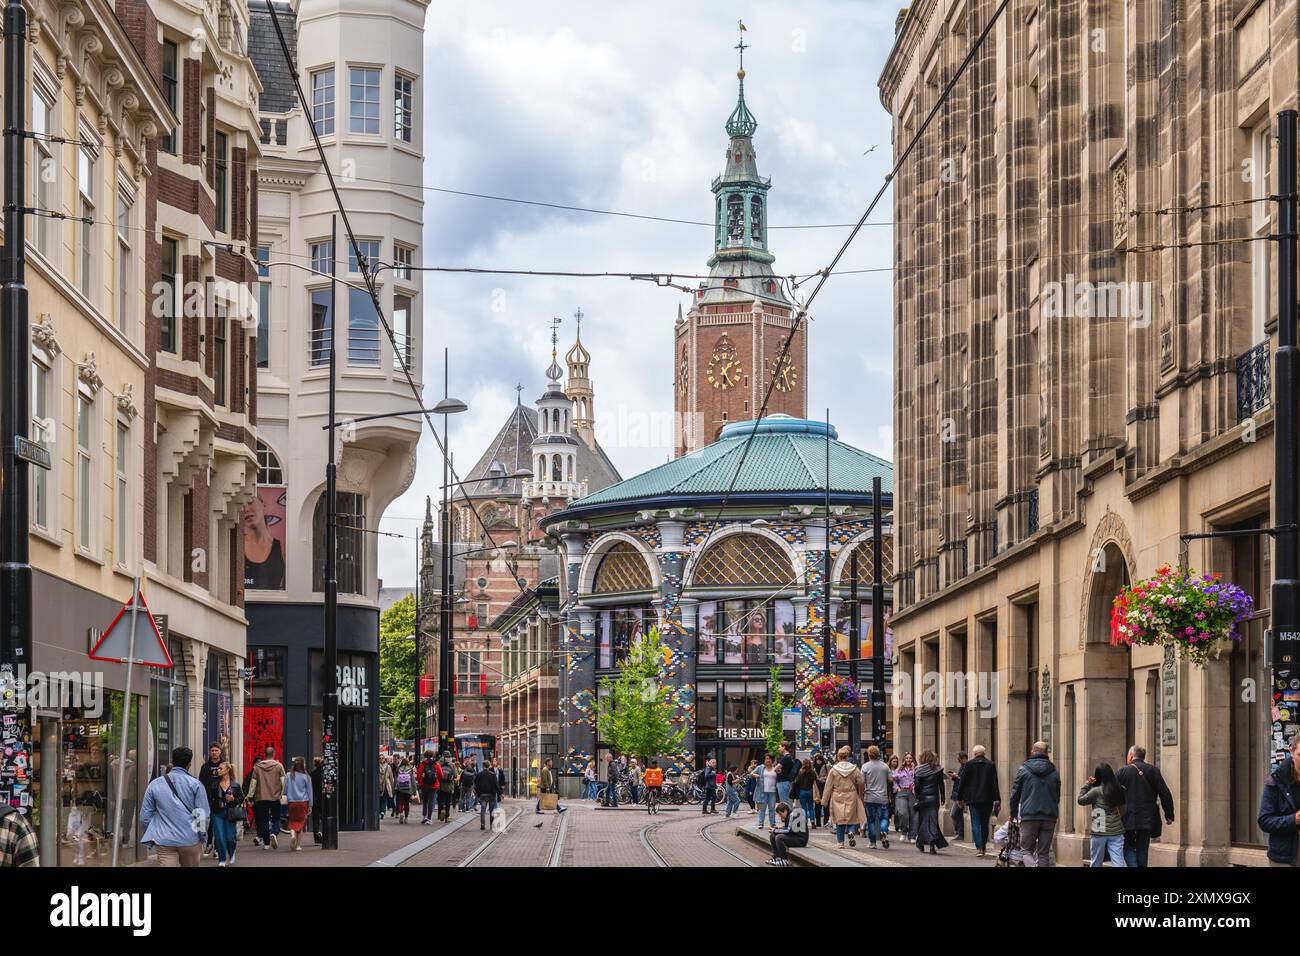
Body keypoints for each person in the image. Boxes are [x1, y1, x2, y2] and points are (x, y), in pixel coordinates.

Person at [139, 746, 208, 867]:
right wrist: (202, 836)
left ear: (172, 762)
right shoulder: (196, 785)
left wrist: (154, 833)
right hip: (190, 839)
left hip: (165, 840)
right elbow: (201, 815)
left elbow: (144, 816)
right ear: (189, 764)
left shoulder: (155, 784)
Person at [1115, 745, 1174, 867]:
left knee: (1127, 846)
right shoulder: (1153, 771)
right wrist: (1169, 814)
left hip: (1127, 818)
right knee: (1143, 848)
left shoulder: (1122, 772)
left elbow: (1112, 793)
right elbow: (1165, 793)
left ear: (1131, 756)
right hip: (1147, 818)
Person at [1008, 741, 1060, 867]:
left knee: (1026, 850)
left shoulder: (1023, 770)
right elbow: (1057, 795)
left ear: (1032, 752)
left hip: (1029, 816)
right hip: (1049, 816)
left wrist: (1013, 813)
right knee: (1043, 853)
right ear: (1047, 753)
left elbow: (1015, 794)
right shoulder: (1054, 771)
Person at [1260, 734, 1300, 866]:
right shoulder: (1275, 781)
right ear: (1291, 752)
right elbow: (1264, 821)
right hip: (1284, 857)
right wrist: (1294, 819)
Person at [1078, 761, 1126, 867]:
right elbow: (1124, 809)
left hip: (1099, 829)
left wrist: (1087, 784)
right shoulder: (1119, 789)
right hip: (1116, 830)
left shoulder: (1096, 791)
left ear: (1097, 776)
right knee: (1118, 862)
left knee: (1096, 862)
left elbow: (1080, 800)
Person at [956, 744, 1000, 858]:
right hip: (987, 798)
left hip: (973, 798)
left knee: (975, 823)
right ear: (984, 753)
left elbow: (963, 783)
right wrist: (998, 799)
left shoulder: (969, 765)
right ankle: (984, 846)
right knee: (985, 824)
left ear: (975, 753)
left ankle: (979, 848)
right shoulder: (991, 764)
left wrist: (959, 798)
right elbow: (995, 783)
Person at [821, 746, 866, 849]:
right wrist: (860, 794)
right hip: (851, 794)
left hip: (837, 795)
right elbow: (861, 782)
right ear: (847, 756)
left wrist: (824, 801)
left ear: (838, 756)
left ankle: (840, 843)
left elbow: (828, 786)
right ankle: (850, 832)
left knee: (839, 819)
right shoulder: (854, 768)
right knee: (852, 818)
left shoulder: (833, 770)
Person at [207, 761, 244, 867]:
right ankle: (222, 859)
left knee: (230, 837)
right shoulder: (214, 784)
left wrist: (233, 799)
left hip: (230, 813)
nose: (218, 770)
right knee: (219, 837)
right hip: (217, 813)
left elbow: (241, 798)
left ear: (227, 770)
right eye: (218, 768)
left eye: (221, 768)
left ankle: (232, 853)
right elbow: (209, 798)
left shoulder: (235, 785)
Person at [249, 746, 285, 850]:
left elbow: (253, 783)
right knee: (276, 817)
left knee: (263, 820)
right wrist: (282, 794)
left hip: (261, 798)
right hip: (275, 797)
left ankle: (266, 843)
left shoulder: (257, 767)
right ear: (273, 754)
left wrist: (250, 796)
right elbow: (283, 782)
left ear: (265, 755)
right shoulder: (279, 766)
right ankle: (274, 832)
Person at [913, 750, 948, 854]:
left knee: (923, 820)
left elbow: (917, 786)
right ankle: (931, 844)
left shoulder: (918, 770)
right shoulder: (937, 769)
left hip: (923, 798)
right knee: (933, 820)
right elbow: (941, 784)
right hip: (934, 798)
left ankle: (921, 843)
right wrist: (943, 797)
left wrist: (918, 796)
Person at [861, 746, 892, 849]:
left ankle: (873, 842)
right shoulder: (885, 766)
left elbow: (862, 782)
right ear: (878, 754)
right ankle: (883, 831)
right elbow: (890, 780)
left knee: (871, 820)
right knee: (884, 818)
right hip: (882, 797)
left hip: (869, 797)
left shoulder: (865, 767)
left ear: (869, 755)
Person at [197, 742, 223, 857]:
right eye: (212, 751)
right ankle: (209, 844)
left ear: (220, 752)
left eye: (216, 750)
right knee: (209, 823)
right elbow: (200, 782)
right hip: (207, 798)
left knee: (218, 824)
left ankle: (217, 847)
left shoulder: (224, 765)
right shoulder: (205, 766)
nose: (214, 752)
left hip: (220, 798)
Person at [283, 757, 313, 851]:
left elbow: (284, 790)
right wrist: (310, 805)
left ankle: (292, 835)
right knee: (300, 823)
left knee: (292, 821)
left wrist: (286, 794)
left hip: (292, 802)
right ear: (303, 765)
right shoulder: (306, 777)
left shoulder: (288, 775)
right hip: (303, 802)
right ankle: (298, 846)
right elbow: (309, 792)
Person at [766, 801, 808, 867]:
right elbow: (787, 828)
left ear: (785, 810)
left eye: (780, 813)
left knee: (779, 837)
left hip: (800, 840)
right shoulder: (789, 814)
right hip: (795, 836)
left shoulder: (792, 815)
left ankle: (784, 860)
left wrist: (775, 830)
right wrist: (777, 829)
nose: (780, 816)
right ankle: (777, 858)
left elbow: (789, 830)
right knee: (773, 835)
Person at [891, 753, 917, 841]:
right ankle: (904, 831)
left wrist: (913, 769)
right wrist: (897, 788)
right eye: (907, 758)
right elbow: (893, 779)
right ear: (904, 760)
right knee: (902, 813)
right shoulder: (899, 770)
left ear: (913, 760)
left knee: (913, 815)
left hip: (912, 793)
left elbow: (915, 780)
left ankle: (912, 835)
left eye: (910, 758)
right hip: (902, 792)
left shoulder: (916, 769)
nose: (909, 760)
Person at [415, 750, 441, 825]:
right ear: (433, 755)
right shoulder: (436, 764)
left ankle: (424, 816)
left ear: (425, 755)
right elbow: (441, 775)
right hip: (434, 785)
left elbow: (418, 775)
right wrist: (436, 779)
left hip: (424, 785)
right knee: (431, 801)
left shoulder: (422, 764)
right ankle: (429, 818)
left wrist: (420, 783)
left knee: (425, 801)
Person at [475, 758, 501, 830]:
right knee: (491, 810)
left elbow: (476, 785)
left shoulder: (479, 774)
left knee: (483, 810)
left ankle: (482, 824)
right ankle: (491, 825)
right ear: (489, 766)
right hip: (491, 795)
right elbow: (496, 785)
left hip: (482, 795)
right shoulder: (493, 775)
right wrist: (500, 794)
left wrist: (478, 794)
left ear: (483, 766)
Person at [754, 754, 779, 829]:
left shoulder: (775, 768)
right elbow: (751, 773)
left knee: (772, 808)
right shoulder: (760, 768)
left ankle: (773, 824)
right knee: (762, 809)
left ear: (772, 760)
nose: (767, 760)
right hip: (762, 791)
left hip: (773, 792)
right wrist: (755, 775)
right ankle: (761, 823)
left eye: (769, 759)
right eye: (766, 759)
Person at [948, 750, 968, 840]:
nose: (958, 760)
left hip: (961, 795)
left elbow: (965, 781)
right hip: (957, 793)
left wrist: (957, 777)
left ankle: (960, 832)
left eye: (958, 758)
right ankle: (959, 833)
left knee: (954, 813)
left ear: (963, 758)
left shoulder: (966, 767)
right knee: (957, 814)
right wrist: (955, 777)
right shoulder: (962, 766)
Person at [792, 758, 817, 829]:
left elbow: (796, 782)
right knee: (811, 807)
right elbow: (815, 780)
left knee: (804, 808)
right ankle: (812, 822)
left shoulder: (800, 772)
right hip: (810, 791)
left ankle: (805, 822)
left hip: (802, 791)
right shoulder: (812, 772)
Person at [393, 756, 415, 823]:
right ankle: (406, 818)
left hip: (399, 788)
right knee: (406, 804)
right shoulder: (410, 769)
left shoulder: (398, 769)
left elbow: (396, 779)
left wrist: (394, 787)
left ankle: (401, 814)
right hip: (408, 789)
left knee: (400, 803)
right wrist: (414, 789)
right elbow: (412, 780)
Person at [437, 751, 457, 821]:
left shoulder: (439, 763)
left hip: (440, 785)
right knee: (448, 801)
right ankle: (446, 817)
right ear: (449, 756)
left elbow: (436, 774)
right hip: (449, 786)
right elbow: (455, 775)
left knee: (440, 800)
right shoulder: (452, 764)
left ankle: (440, 813)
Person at [812, 753, 829, 828]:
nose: (818, 761)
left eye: (819, 759)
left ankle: (826, 822)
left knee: (826, 806)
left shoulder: (826, 766)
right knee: (817, 806)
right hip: (817, 789)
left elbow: (829, 776)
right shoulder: (813, 768)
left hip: (825, 787)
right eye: (817, 760)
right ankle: (818, 822)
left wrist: (822, 779)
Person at [310, 756, 324, 844]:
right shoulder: (324, 775)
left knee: (315, 819)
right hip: (323, 798)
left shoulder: (311, 774)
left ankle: (316, 838)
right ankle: (323, 835)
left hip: (314, 798)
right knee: (324, 817)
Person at [378, 754, 394, 821]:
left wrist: (392, 786)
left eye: (382, 758)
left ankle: (382, 812)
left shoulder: (388, 767)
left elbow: (391, 777)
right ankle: (379, 811)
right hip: (378, 784)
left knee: (384, 799)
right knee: (378, 799)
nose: (381, 759)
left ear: (384, 759)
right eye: (380, 758)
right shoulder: (376, 766)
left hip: (386, 785)